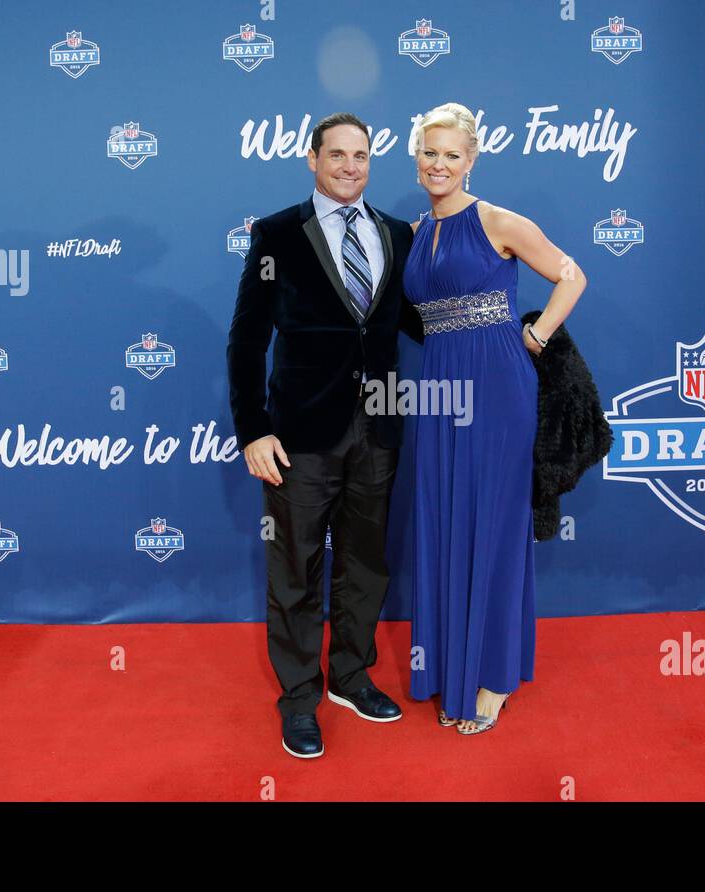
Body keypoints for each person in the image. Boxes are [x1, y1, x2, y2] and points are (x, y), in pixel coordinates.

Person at [227, 112, 425, 759]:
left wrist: (500, 330)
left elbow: (418, 325)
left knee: (367, 563)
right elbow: (247, 339)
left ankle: (349, 675)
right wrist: (253, 429)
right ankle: (299, 700)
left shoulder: (396, 234)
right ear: (312, 160)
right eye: (337, 154)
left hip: (379, 425)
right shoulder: (277, 234)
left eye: (361, 155)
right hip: (300, 433)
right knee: (297, 572)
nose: (350, 165)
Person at [403, 102, 586, 734]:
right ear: (417, 156)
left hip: (497, 384)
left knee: (495, 521)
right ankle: (448, 663)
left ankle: (492, 679)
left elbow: (572, 275)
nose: (440, 163)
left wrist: (534, 337)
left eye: (452, 154)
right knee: (445, 516)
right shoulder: (419, 232)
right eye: (430, 152)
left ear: (472, 160)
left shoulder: (496, 220)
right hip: (438, 385)